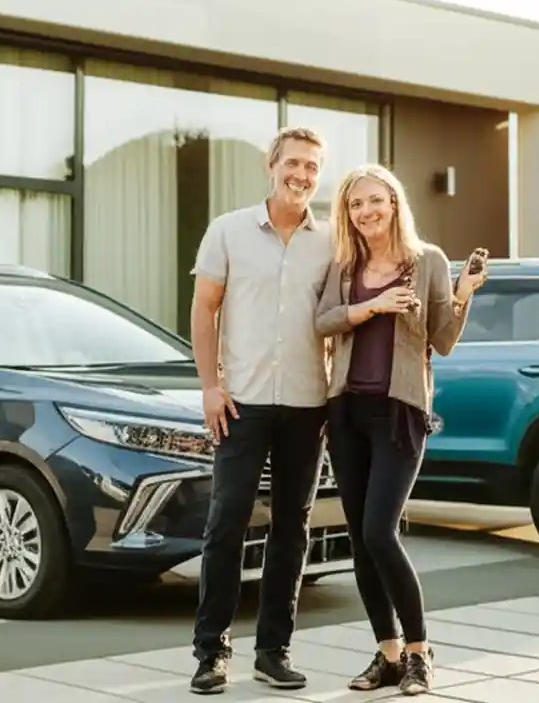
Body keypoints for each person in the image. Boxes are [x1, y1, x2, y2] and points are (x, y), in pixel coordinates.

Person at [315, 163, 487, 696]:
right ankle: (387, 654)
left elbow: (445, 339)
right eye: (355, 204)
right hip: (345, 413)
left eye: (375, 201)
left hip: (400, 413)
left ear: (394, 203)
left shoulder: (426, 261)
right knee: (361, 544)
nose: (366, 212)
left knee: (378, 532)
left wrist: (464, 293)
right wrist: (371, 307)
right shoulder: (344, 266)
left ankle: (419, 652)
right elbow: (322, 321)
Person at [186, 126, 332, 695]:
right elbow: (204, 310)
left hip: (306, 405)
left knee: (292, 530)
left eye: (312, 167)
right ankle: (211, 651)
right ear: (272, 165)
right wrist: (209, 386)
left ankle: (273, 650)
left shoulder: (331, 242)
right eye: (293, 163)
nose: (302, 175)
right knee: (227, 523)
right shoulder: (228, 230)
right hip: (241, 404)